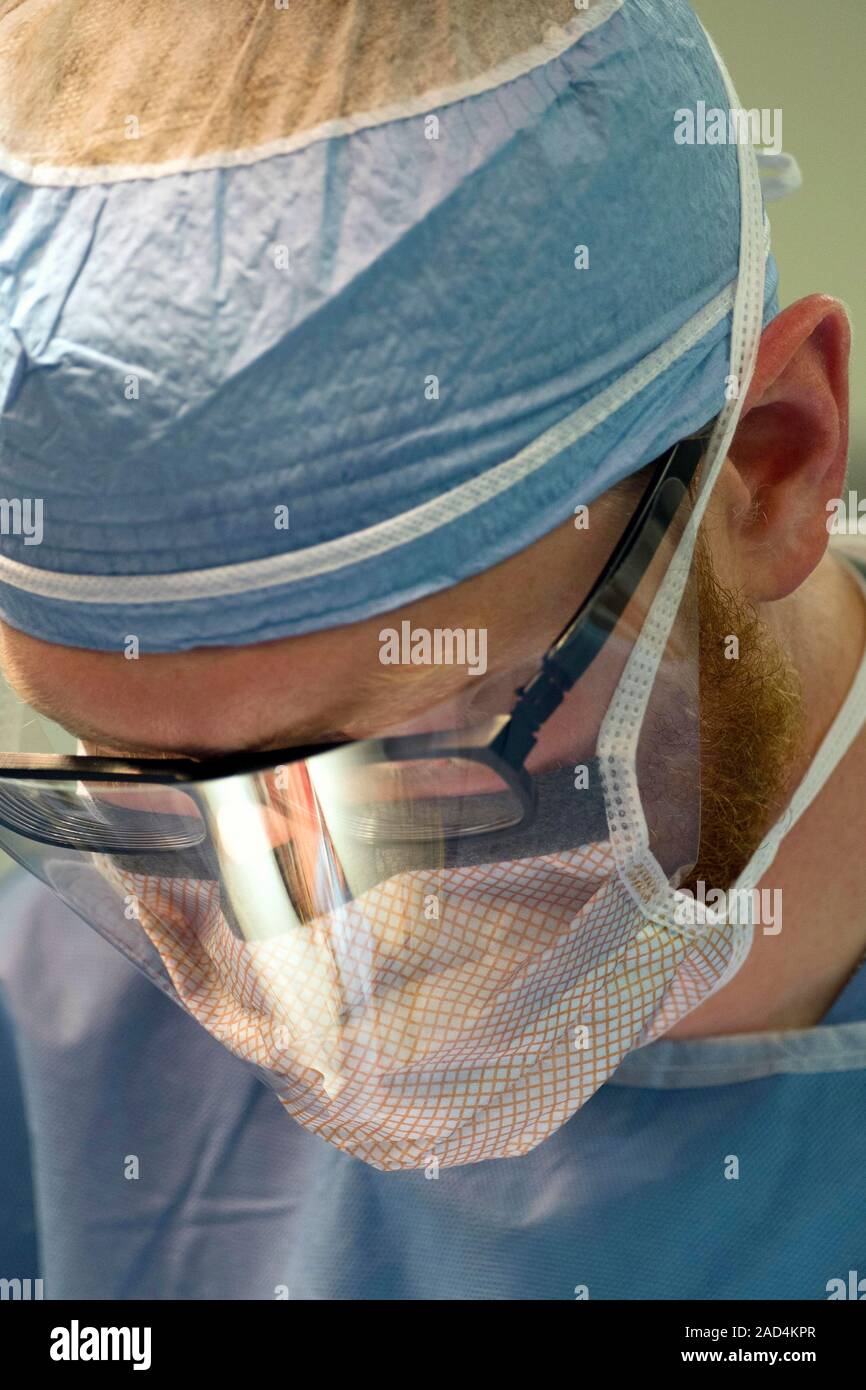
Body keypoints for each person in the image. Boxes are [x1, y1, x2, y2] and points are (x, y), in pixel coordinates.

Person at [0, 0, 863, 1299]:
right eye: (133, 765)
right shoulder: (56, 1029)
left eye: (408, 750)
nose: (281, 917)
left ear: (768, 465)